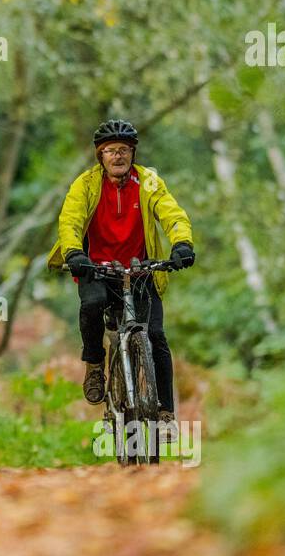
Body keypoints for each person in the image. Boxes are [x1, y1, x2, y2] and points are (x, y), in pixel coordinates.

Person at [46, 119, 195, 428]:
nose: (118, 156)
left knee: (155, 335)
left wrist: (182, 243)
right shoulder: (85, 185)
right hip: (95, 268)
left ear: (133, 154)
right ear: (100, 156)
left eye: (124, 150)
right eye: (111, 150)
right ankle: (95, 365)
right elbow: (70, 221)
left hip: (139, 269)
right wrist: (74, 252)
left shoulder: (149, 182)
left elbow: (173, 215)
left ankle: (165, 414)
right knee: (91, 304)